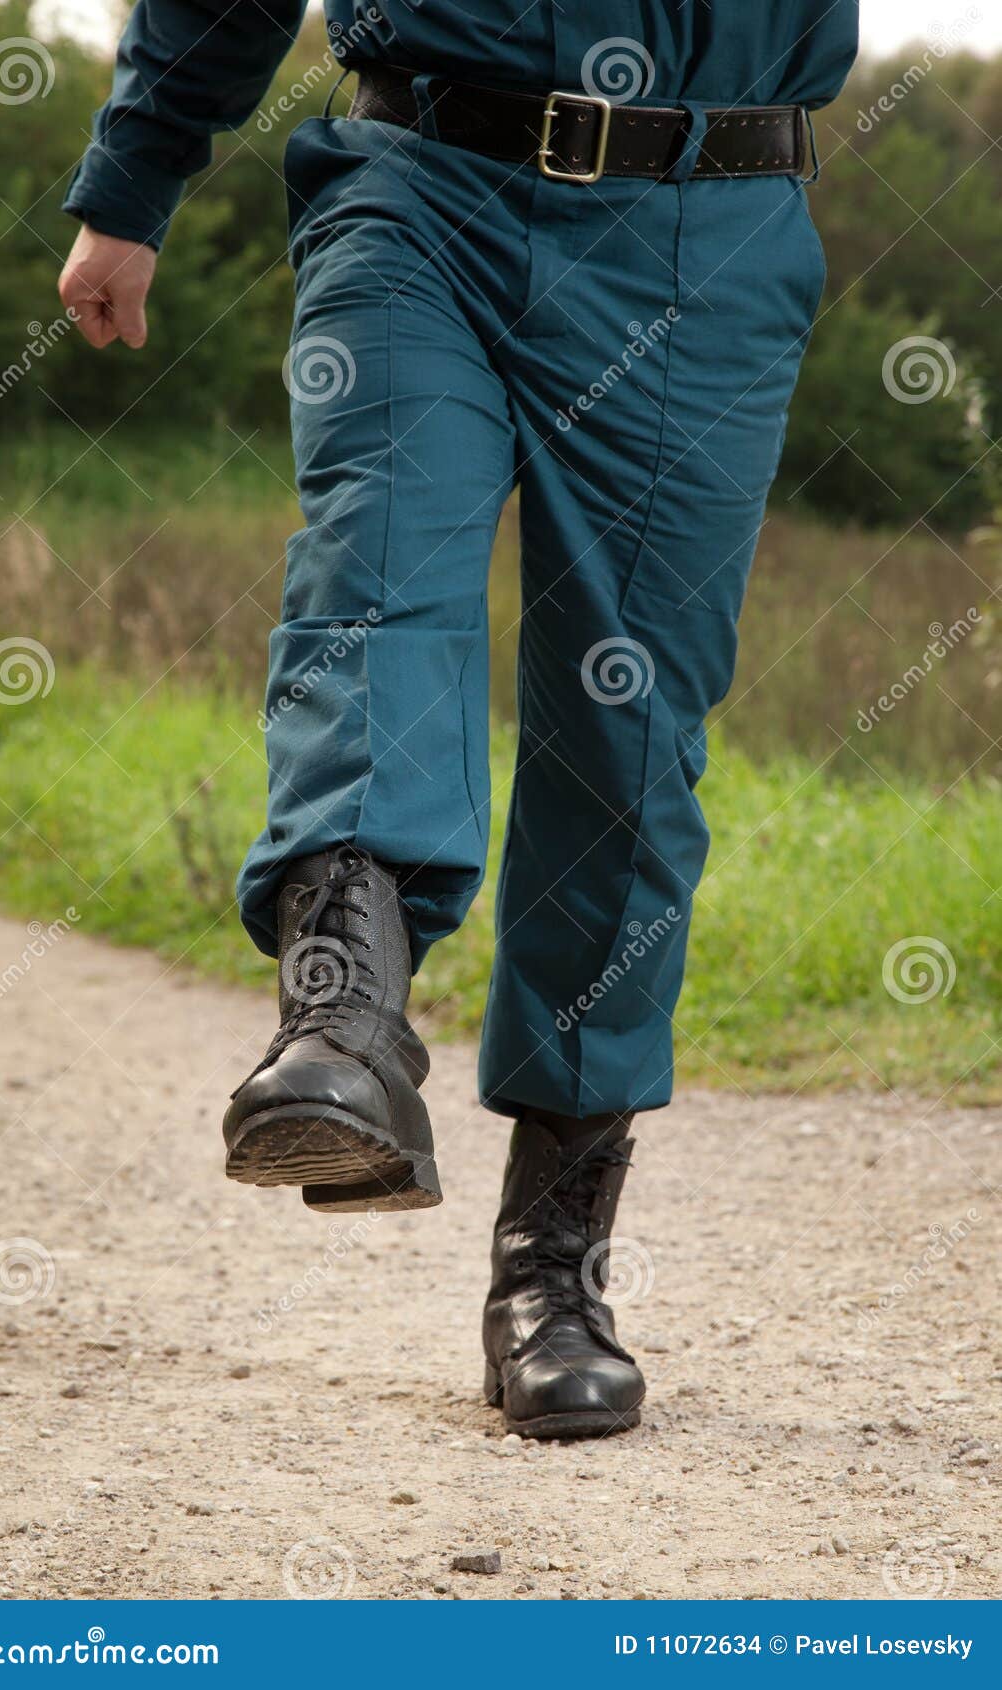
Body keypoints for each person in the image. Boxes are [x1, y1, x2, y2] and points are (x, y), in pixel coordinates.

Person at [59, 1, 858, 1440]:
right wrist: (136, 173)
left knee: (627, 740)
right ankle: (344, 1017)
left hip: (712, 224)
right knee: (378, 571)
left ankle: (551, 1270)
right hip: (423, 182)